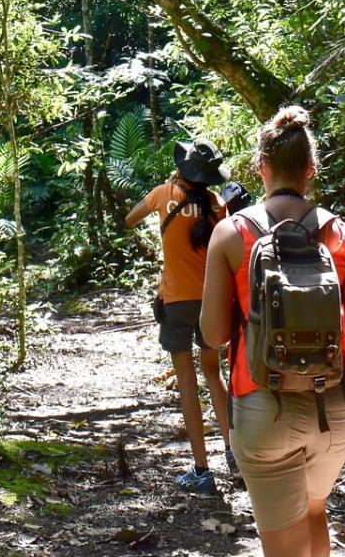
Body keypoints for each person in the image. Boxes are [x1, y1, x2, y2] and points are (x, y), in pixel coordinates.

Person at [201, 105, 345, 557]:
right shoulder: (342, 234)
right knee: (314, 511)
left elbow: (214, 334)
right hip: (336, 406)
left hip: (263, 404)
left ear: (261, 167)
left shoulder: (230, 233)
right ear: (311, 171)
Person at [125, 139, 235, 494]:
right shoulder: (218, 205)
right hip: (212, 303)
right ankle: (234, 453)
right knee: (214, 374)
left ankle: (202, 471)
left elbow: (129, 220)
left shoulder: (163, 194)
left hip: (176, 303)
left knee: (187, 383)